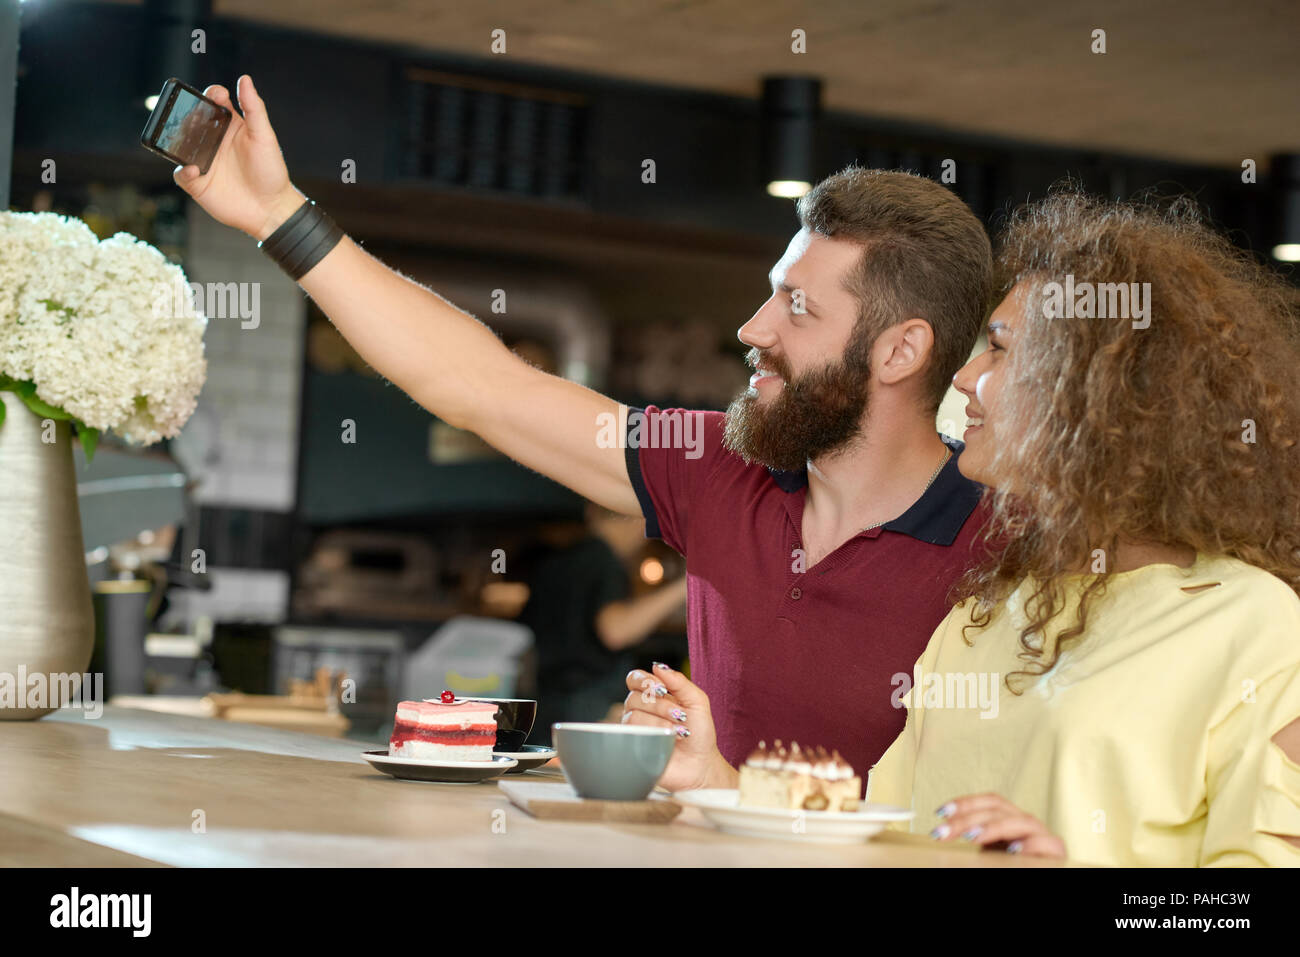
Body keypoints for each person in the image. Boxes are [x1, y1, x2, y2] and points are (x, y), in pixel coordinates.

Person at [173, 75, 994, 788]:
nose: (752, 327)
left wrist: (723, 783)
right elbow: (482, 388)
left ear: (901, 351)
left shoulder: (1004, 545)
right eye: (772, 292)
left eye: (798, 307)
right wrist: (279, 215)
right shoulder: (717, 466)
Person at [644, 189, 1300, 866]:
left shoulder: (1257, 624)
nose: (962, 377)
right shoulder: (984, 614)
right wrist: (717, 779)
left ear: (1098, 393)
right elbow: (884, 834)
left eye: (1000, 348)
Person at [519, 503, 687, 746]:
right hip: (589, 706)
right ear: (641, 521)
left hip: (546, 702)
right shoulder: (606, 562)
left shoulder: (556, 562)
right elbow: (616, 631)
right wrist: (687, 584)